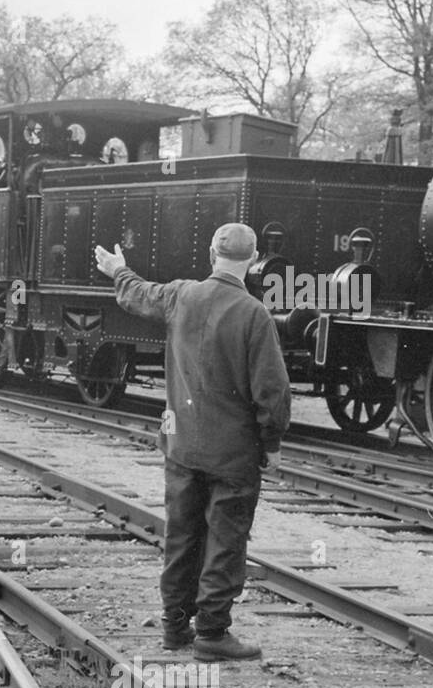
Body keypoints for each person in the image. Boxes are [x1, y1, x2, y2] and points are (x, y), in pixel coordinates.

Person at [94, 223, 291, 661]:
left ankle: (174, 626)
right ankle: (213, 633)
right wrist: (272, 443)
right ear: (254, 259)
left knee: (181, 533)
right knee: (225, 537)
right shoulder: (253, 314)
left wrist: (118, 270)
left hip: (180, 444)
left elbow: (137, 294)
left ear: (210, 253)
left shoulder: (182, 295)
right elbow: (272, 392)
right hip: (232, 453)